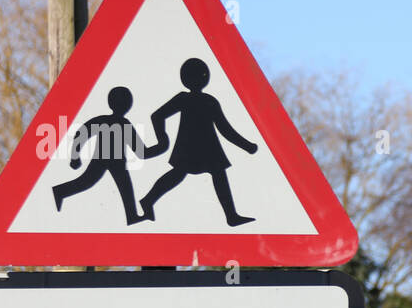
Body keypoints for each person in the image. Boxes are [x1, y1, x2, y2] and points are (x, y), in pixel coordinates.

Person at [138, 57, 258, 226]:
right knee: (186, 173)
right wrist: (162, 139)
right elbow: (157, 116)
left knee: (208, 173)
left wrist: (246, 145)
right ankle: (148, 200)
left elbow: (225, 129)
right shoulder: (190, 99)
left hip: (206, 147)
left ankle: (231, 216)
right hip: (191, 146)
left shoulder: (207, 101)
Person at [52, 86, 151, 225]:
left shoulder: (118, 122)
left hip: (115, 161)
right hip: (103, 159)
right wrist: (75, 156)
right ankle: (59, 191)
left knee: (124, 187)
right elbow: (82, 133)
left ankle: (132, 216)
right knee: (88, 182)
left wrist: (162, 147)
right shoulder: (118, 122)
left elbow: (141, 151)